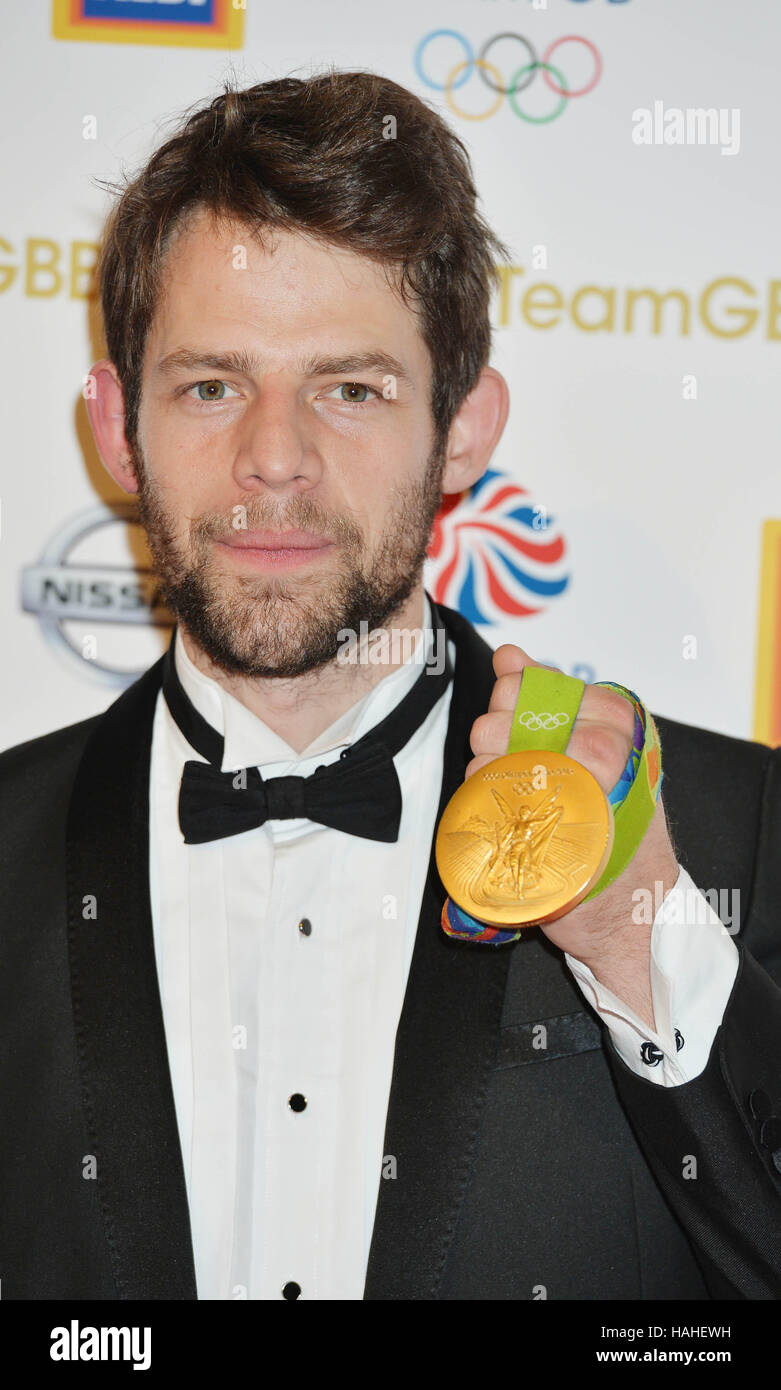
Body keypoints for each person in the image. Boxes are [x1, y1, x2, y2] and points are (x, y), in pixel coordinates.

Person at [1, 71, 780, 1302]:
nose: (274, 457)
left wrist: (640, 945)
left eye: (350, 388)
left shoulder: (736, 832)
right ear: (116, 427)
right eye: (211, 385)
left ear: (463, 428)